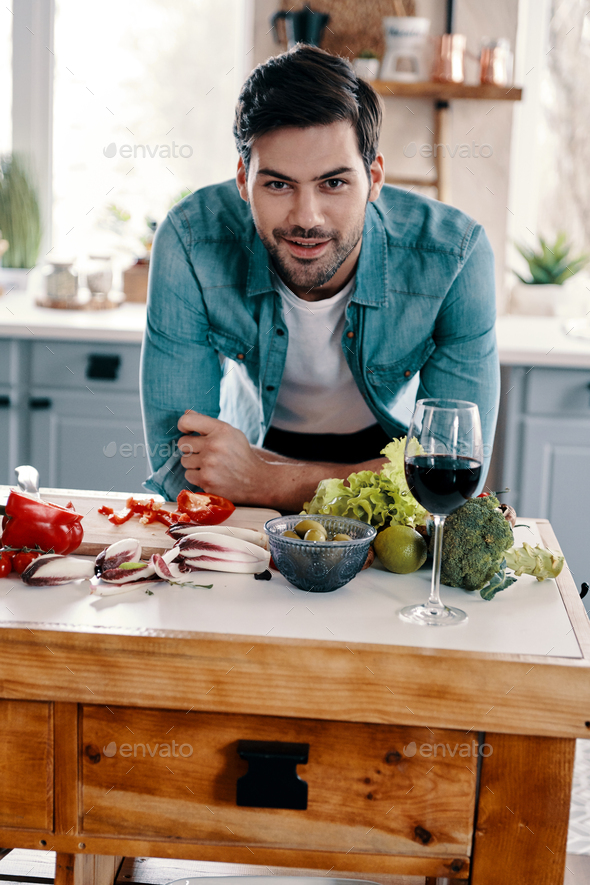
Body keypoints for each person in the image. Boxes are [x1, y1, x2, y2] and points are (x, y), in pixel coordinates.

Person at [140, 45, 499, 511]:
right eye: (278, 184)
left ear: (374, 178)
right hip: (247, 449)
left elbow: (450, 472)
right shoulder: (190, 240)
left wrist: (266, 479)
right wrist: (257, 476)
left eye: (333, 183)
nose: (306, 218)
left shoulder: (454, 256)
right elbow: (178, 466)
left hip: (371, 452)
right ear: (243, 180)